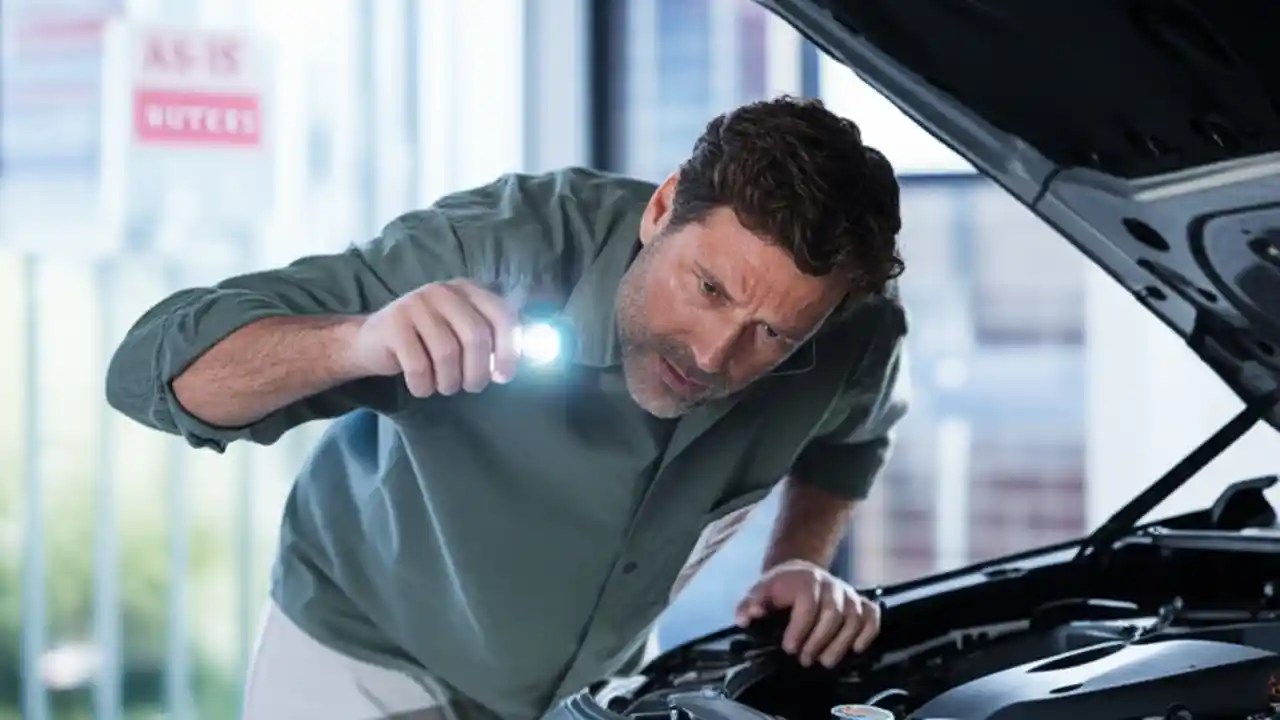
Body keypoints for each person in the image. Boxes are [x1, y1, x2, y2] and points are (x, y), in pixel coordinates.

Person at [106, 95, 908, 720]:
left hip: (595, 688)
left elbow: (851, 439)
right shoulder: (497, 247)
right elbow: (152, 371)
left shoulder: (853, 335)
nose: (712, 355)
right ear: (662, 208)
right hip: (365, 667)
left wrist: (797, 559)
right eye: (706, 288)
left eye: (770, 332)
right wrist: (359, 342)